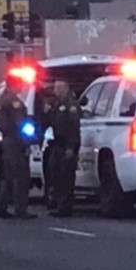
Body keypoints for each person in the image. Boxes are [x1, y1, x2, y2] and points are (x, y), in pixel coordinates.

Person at [0, 91, 34, 219]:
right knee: (21, 175)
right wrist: (28, 140)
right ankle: (20, 209)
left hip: (6, 140)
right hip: (16, 141)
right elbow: (21, 122)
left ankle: (2, 207)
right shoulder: (14, 101)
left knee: (8, 176)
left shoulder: (2, 99)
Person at [46, 80, 81, 217]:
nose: (57, 90)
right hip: (58, 144)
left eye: (60, 87)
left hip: (67, 144)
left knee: (66, 176)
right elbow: (50, 122)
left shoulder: (71, 105)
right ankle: (58, 203)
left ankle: (65, 207)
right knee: (56, 174)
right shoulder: (56, 104)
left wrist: (71, 147)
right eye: (55, 87)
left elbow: (74, 128)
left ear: (66, 88)